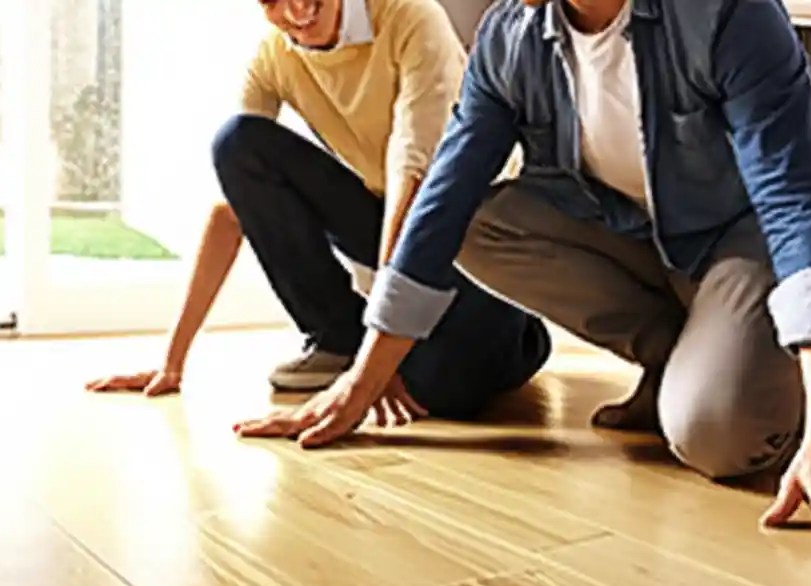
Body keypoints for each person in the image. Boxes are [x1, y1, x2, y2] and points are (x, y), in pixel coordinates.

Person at [238, 0, 811, 546]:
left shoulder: (726, 12)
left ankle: (800, 384)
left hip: (742, 244)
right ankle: (680, 361)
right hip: (634, 236)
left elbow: (793, 198)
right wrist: (362, 382)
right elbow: (444, 198)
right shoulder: (510, 37)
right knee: (472, 221)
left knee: (715, 437)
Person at [87, 0, 550, 425]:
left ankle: (520, 334)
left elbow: (413, 176)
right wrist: (173, 361)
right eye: (272, 0)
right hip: (386, 218)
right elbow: (234, 207)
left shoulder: (409, 15)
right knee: (238, 142)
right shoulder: (274, 57)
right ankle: (336, 339)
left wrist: (377, 354)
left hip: (475, 235)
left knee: (441, 396)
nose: (297, 11)